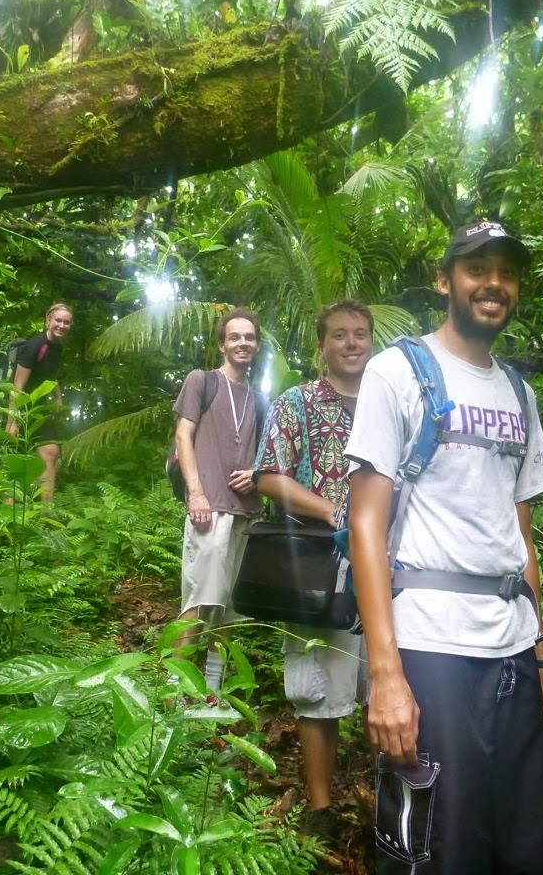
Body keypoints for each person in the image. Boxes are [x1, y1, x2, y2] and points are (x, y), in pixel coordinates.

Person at [345, 220, 543, 875]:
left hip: (513, 649)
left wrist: (541, 657)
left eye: (507, 272)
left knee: (523, 844)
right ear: (445, 281)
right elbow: (365, 526)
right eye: (477, 269)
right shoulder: (396, 372)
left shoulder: (519, 393)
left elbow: (521, 533)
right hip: (431, 645)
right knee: (439, 848)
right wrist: (386, 676)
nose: (494, 283)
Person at [253, 299, 374, 837]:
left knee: (387, 682)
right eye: (339, 335)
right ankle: (320, 809)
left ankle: (389, 804)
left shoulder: (390, 403)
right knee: (317, 687)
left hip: (391, 564)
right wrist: (329, 510)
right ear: (322, 345)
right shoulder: (296, 404)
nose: (351, 343)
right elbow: (267, 475)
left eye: (360, 333)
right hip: (319, 565)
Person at [172, 306, 265, 694]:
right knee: (199, 602)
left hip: (247, 514)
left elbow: (265, 456)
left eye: (249, 337)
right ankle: (176, 693)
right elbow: (183, 436)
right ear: (222, 344)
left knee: (227, 611)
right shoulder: (202, 381)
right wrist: (196, 494)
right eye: (235, 336)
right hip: (209, 511)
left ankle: (211, 693)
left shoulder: (259, 399)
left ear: (256, 344)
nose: (243, 343)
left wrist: (256, 475)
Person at [5, 302, 74, 503]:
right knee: (16, 461)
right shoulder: (35, 346)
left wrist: (58, 397)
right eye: (58, 320)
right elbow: (17, 386)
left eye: (66, 322)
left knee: (51, 452)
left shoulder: (57, 346)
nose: (62, 325)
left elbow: (50, 375)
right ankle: (8, 511)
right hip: (21, 405)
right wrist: (13, 421)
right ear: (48, 320)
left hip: (39, 405)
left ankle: (46, 511)